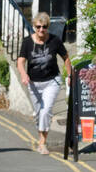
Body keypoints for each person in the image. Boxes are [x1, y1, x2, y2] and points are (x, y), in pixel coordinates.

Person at [18, 12, 72, 155]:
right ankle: (41, 137)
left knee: (46, 110)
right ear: (34, 26)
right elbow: (20, 61)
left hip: (51, 81)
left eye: (44, 27)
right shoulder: (27, 42)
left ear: (48, 26)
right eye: (38, 27)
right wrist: (23, 75)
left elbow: (66, 58)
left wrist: (70, 75)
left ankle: (42, 143)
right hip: (34, 84)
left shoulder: (55, 41)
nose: (41, 30)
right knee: (39, 113)